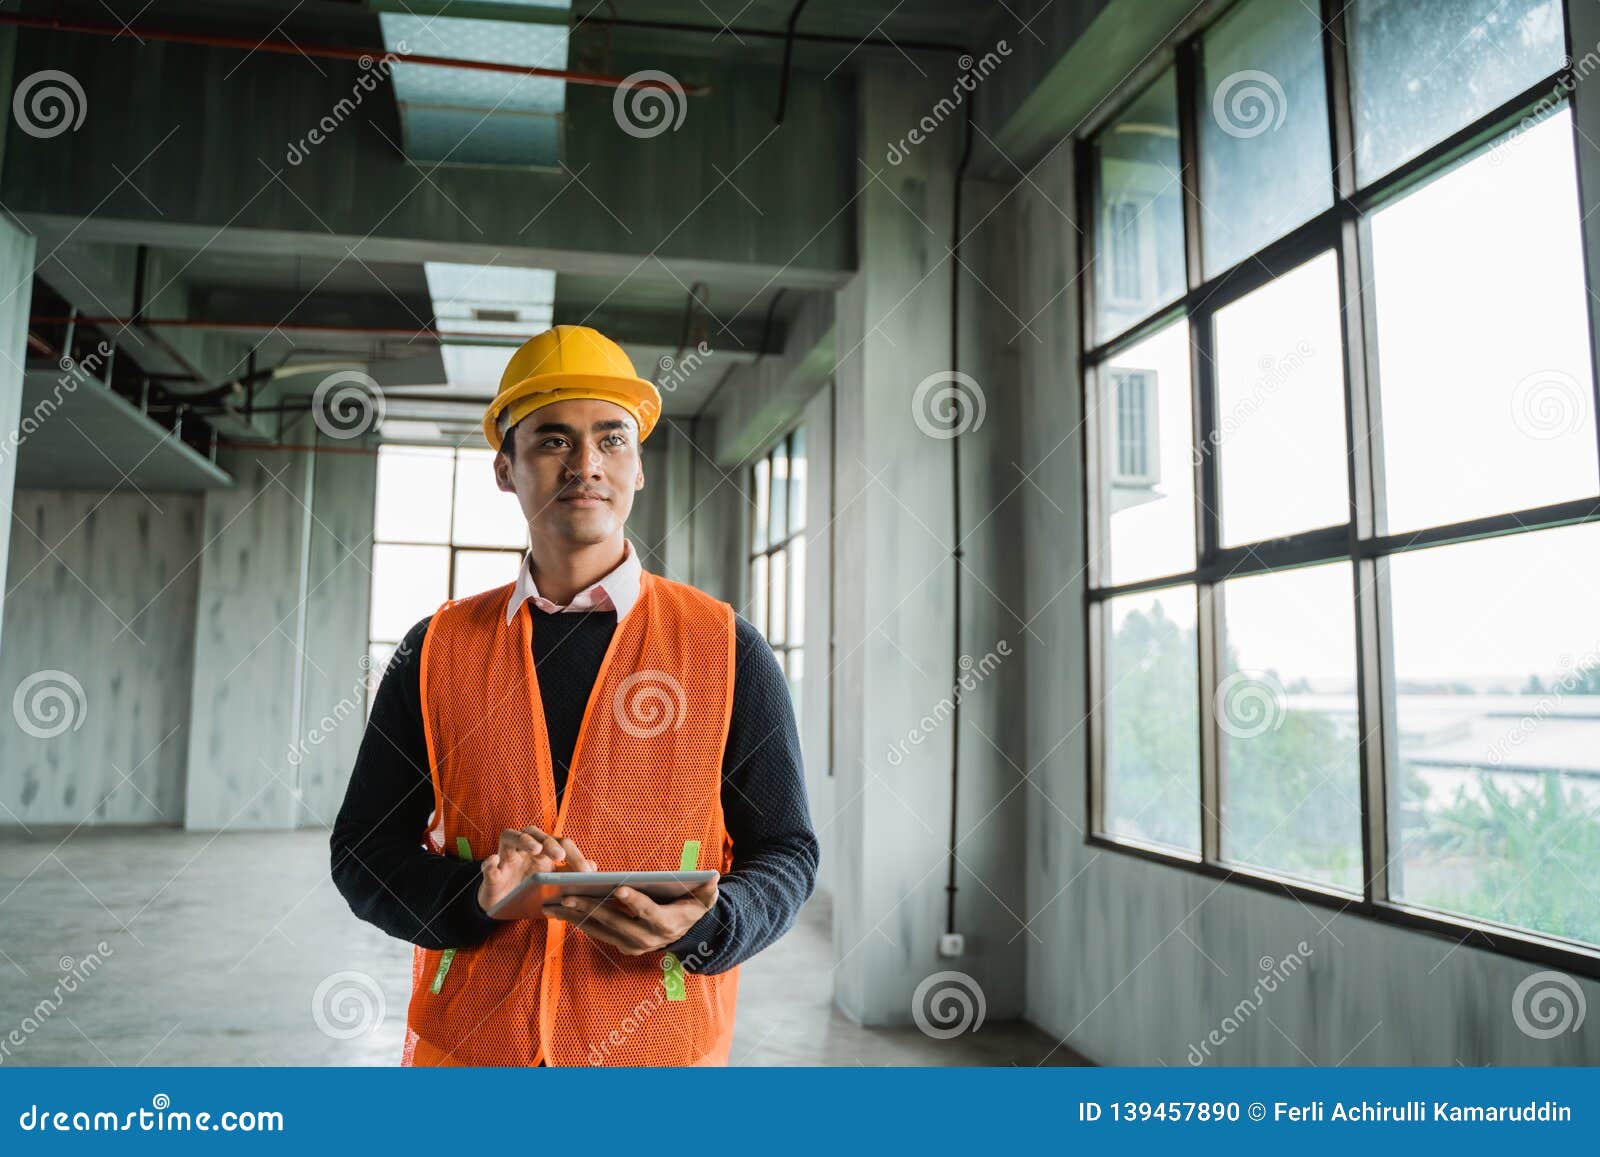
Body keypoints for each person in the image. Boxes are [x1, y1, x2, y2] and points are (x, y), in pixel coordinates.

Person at [330, 324, 819, 1066]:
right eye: (553, 439)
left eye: (612, 438)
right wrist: (474, 899)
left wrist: (710, 925)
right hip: (470, 1058)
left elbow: (786, 850)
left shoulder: (727, 648)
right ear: (506, 467)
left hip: (656, 1061)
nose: (586, 464)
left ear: (639, 466)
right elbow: (363, 850)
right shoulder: (433, 649)